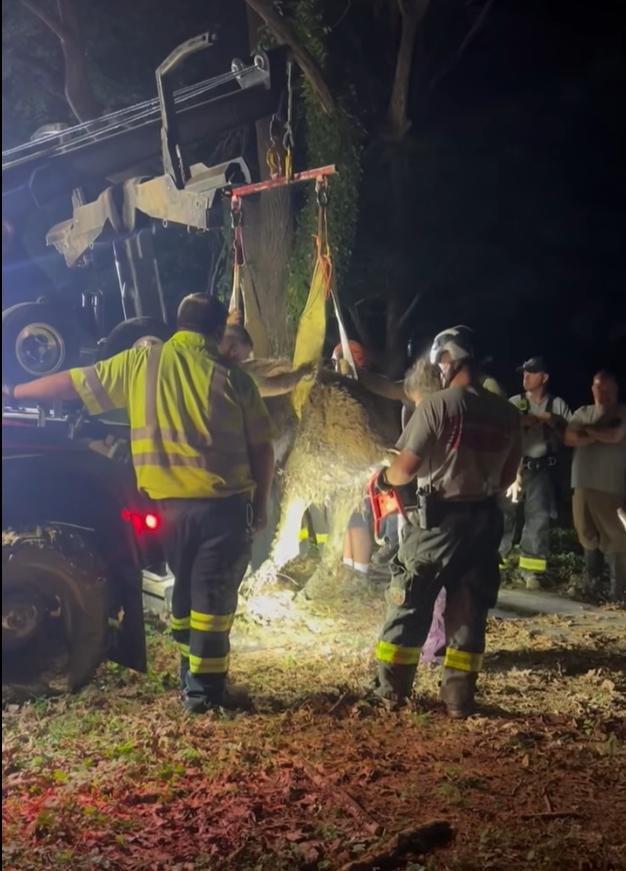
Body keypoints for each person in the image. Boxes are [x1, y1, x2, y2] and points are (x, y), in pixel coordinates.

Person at [3, 294, 275, 713]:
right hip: (221, 509)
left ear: (177, 324)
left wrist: (15, 390)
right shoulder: (234, 379)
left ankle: (192, 678)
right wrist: (262, 503)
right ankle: (205, 696)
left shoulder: (140, 365)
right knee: (213, 604)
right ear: (219, 331)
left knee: (185, 596)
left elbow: (73, 383)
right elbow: (263, 449)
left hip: (169, 510)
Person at [371, 325, 521, 718]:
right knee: (468, 612)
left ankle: (391, 692)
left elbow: (405, 468)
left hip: (439, 524)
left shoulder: (438, 406)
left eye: (440, 363)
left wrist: (385, 478)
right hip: (484, 523)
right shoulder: (506, 413)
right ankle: (458, 699)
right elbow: (507, 477)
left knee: (409, 602)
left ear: (448, 361)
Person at [500, 356, 572, 590]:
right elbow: (506, 433)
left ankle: (531, 571)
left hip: (542, 469)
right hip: (513, 467)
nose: (525, 377)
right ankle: (493, 562)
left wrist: (554, 422)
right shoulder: (514, 402)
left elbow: (571, 435)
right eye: (524, 373)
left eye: (531, 373)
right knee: (504, 516)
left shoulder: (558, 405)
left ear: (544, 377)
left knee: (538, 518)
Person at [564, 370, 626, 603]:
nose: (603, 394)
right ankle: (592, 585)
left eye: (607, 389)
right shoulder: (583, 412)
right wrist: (596, 433)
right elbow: (569, 437)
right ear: (592, 390)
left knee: (616, 538)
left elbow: (614, 436)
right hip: (581, 482)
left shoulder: (622, 412)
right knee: (585, 533)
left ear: (616, 390)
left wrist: (588, 431)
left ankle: (617, 592)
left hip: (609, 485)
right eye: (598, 388)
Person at [219, 324, 315, 397]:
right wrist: (304, 370)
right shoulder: (237, 378)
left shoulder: (210, 359)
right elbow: (283, 385)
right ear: (234, 350)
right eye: (244, 357)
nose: (242, 362)